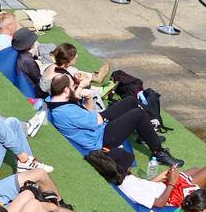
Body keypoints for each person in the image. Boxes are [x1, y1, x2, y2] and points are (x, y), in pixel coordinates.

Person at [47, 71, 182, 169]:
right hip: (101, 139)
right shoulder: (65, 111)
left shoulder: (56, 101)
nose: (75, 88)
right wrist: (82, 90)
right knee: (138, 114)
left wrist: (87, 98)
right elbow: (98, 120)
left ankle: (145, 134)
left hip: (98, 128)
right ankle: (159, 153)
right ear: (65, 90)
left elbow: (90, 113)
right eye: (73, 86)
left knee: (130, 101)